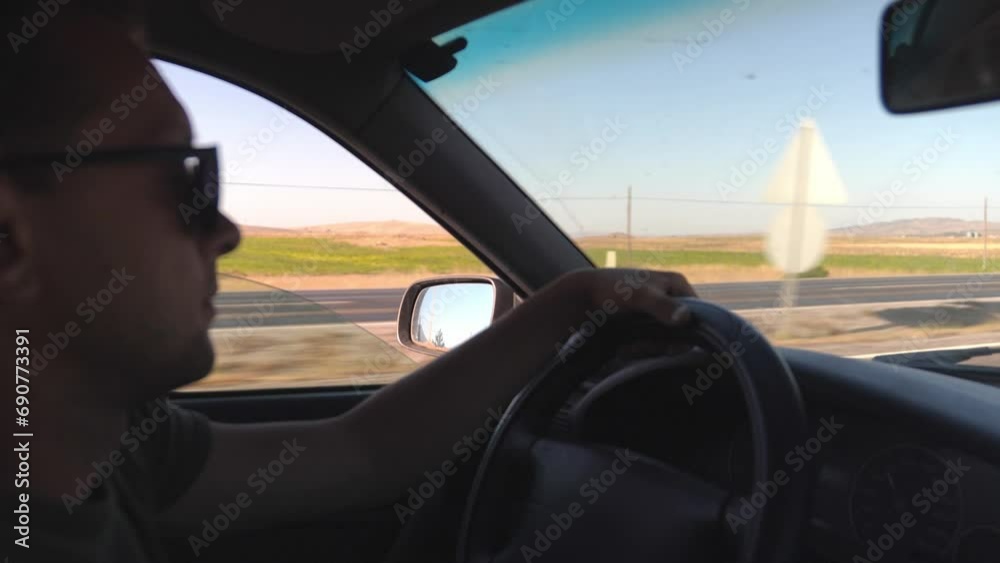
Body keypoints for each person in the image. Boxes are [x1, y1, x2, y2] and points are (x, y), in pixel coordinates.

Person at [0, 2, 697, 561]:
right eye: (187, 181)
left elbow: (361, 454)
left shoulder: (110, 446)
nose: (226, 231)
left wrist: (568, 300)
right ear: (11, 240)